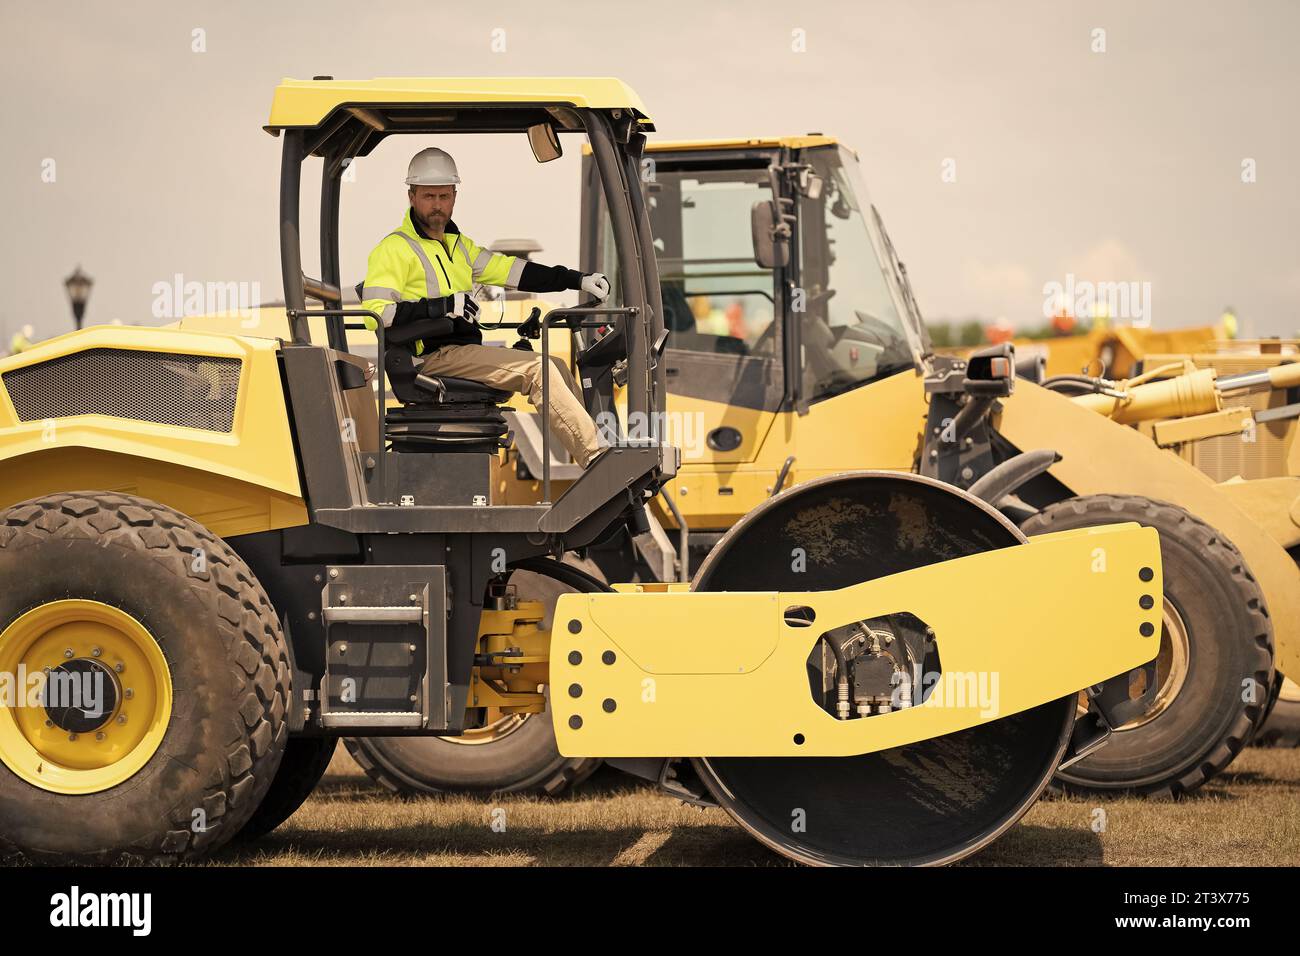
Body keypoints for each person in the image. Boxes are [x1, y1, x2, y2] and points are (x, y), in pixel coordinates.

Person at [361, 147, 609, 468]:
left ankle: (596, 451)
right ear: (411, 196)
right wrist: (442, 307)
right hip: (429, 357)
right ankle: (598, 460)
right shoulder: (394, 249)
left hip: (459, 353)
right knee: (538, 371)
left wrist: (576, 279)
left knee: (556, 366)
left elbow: (513, 271)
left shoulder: (459, 246)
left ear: (454, 195)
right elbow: (375, 315)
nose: (437, 205)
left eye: (444, 196)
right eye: (428, 196)